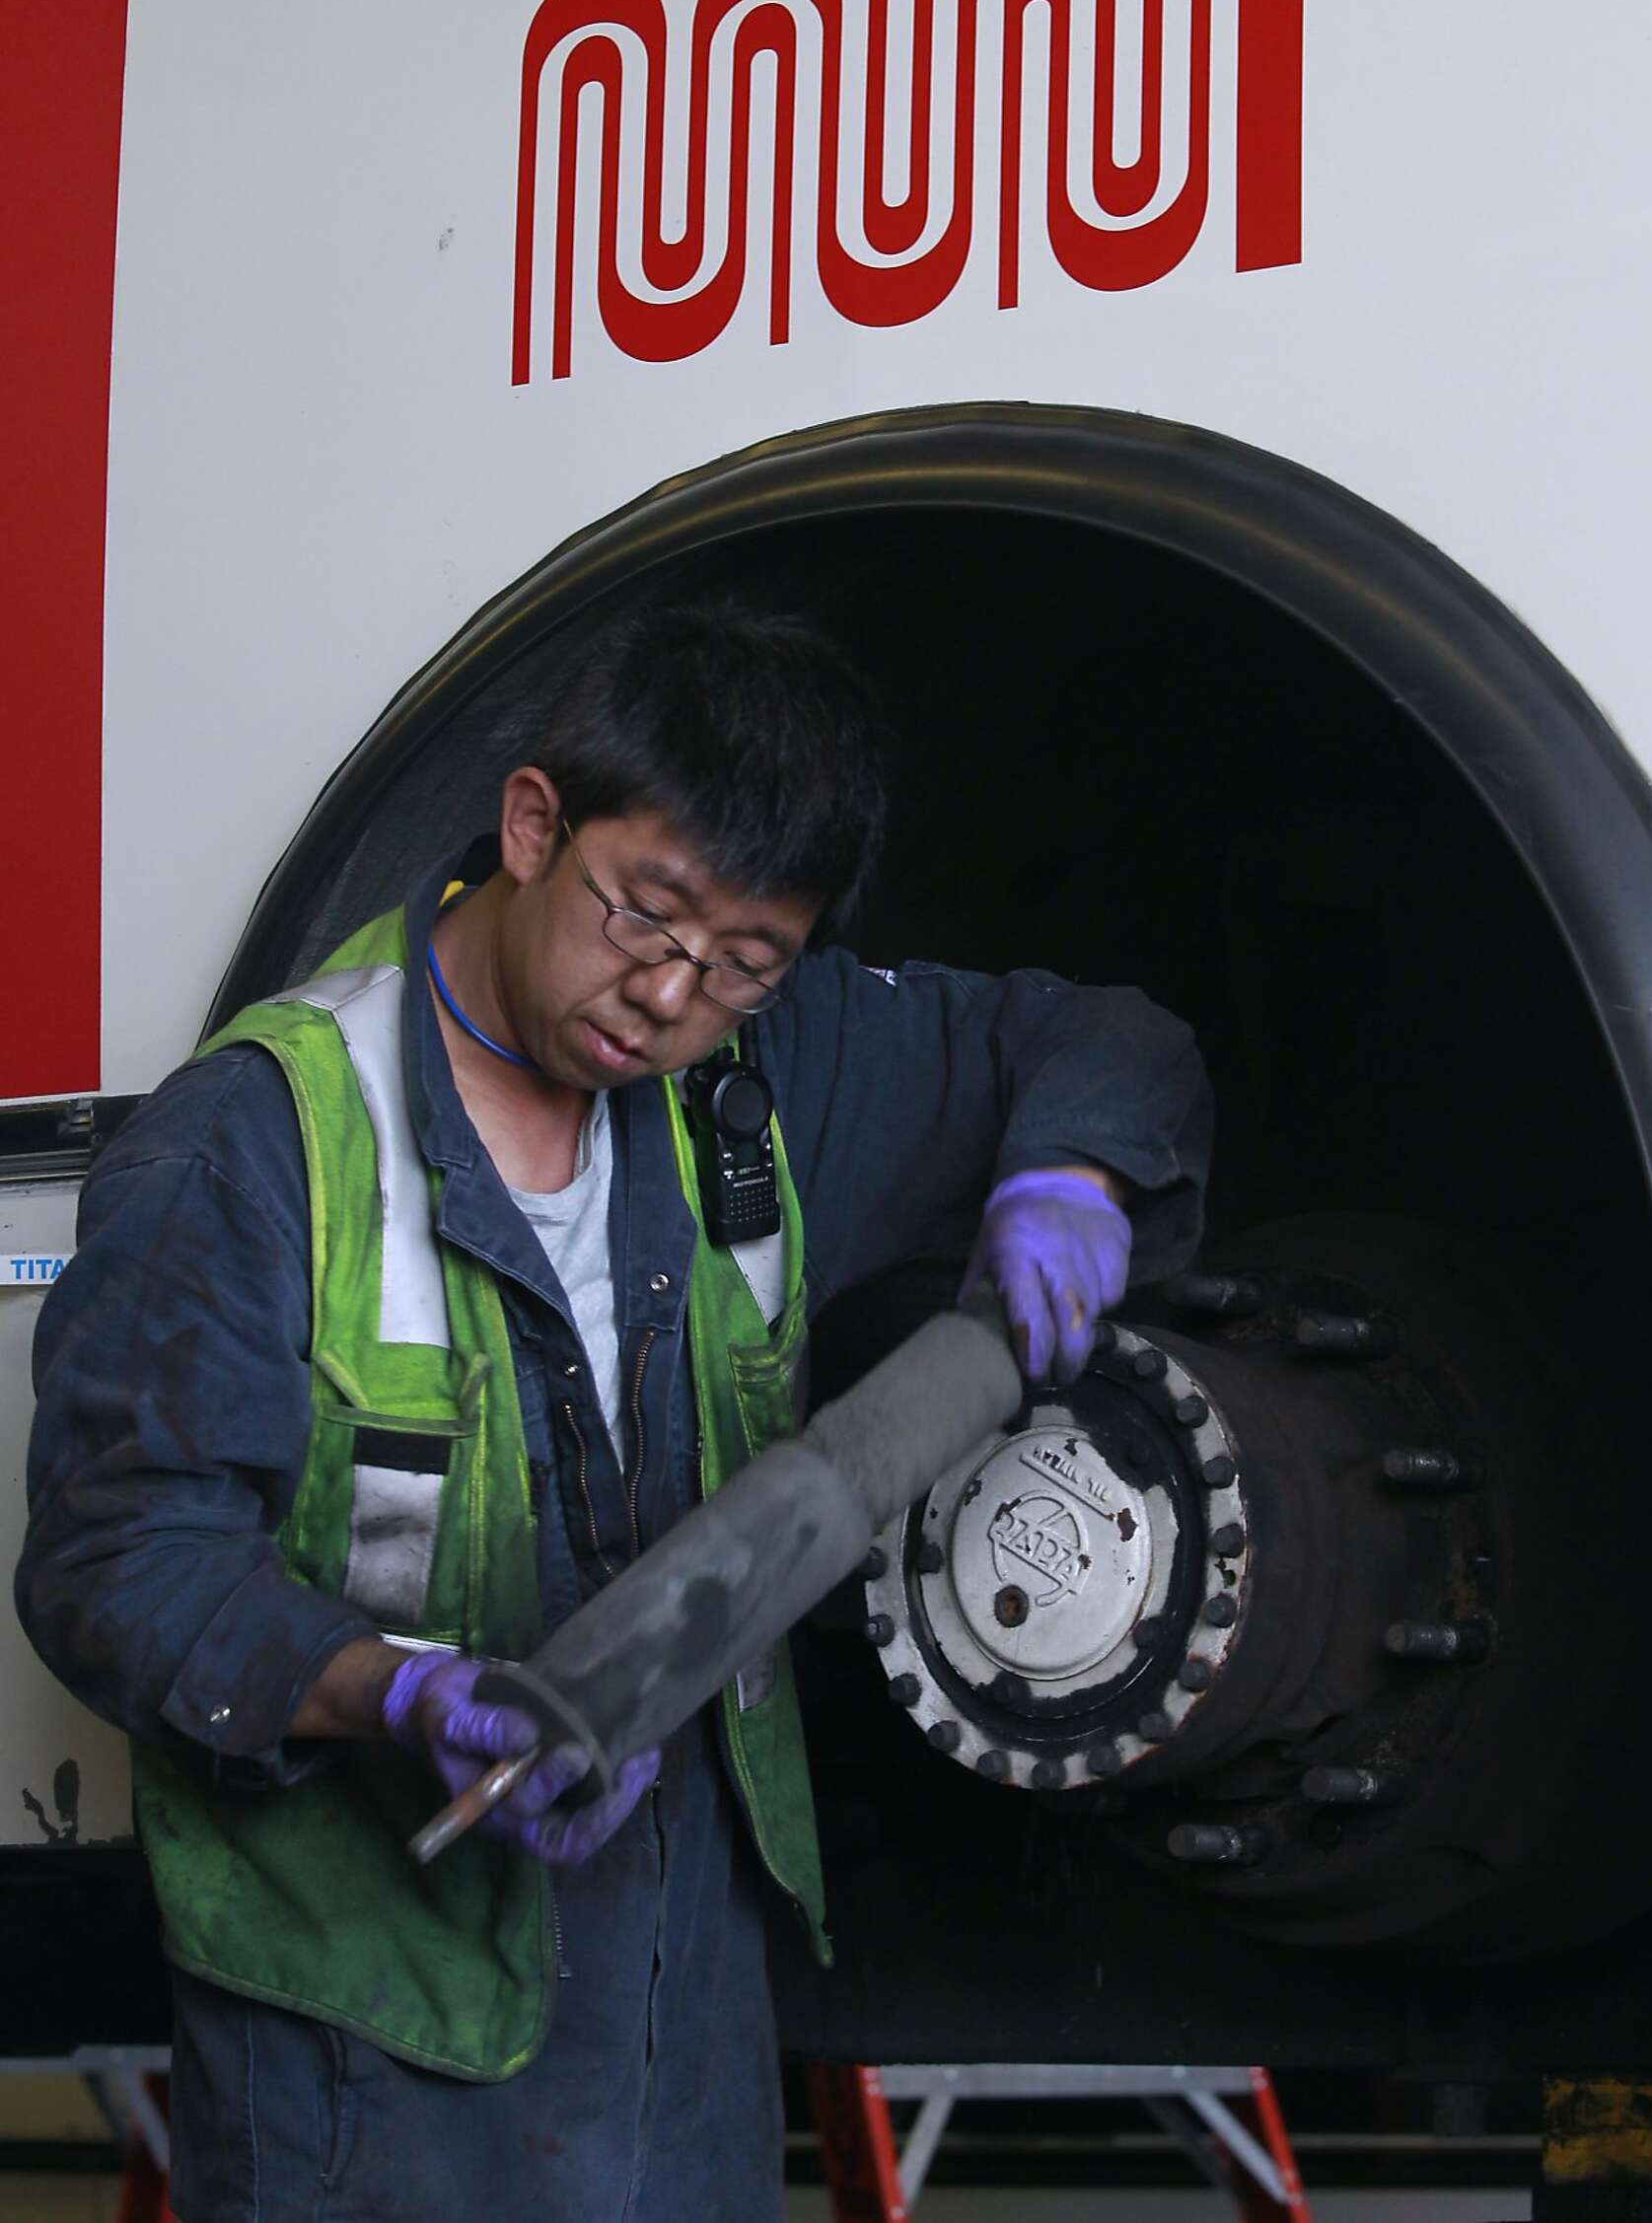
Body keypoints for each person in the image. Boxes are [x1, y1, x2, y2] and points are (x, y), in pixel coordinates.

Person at [16, 599, 1212, 2222]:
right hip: (374, 2053)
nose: (669, 995)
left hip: (683, 2010)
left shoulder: (763, 1080)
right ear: (531, 825)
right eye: (645, 915)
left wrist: (1068, 1166)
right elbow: (118, 1565)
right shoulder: (260, 1141)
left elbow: (1107, 1034)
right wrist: (399, 1689)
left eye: (741, 964)